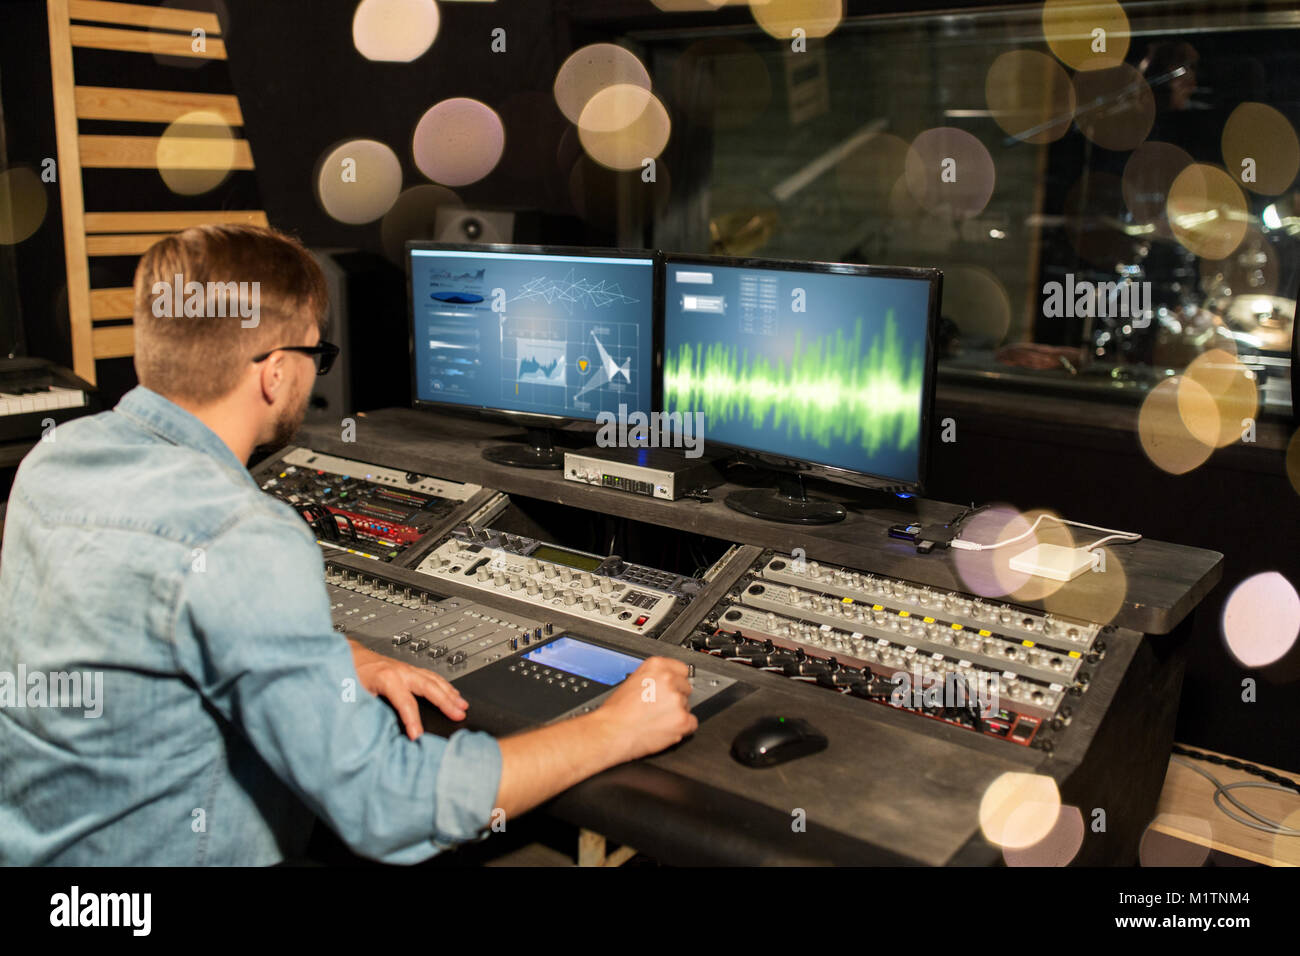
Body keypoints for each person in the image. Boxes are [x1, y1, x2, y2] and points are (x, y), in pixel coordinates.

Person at [0, 224, 697, 865]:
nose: (314, 372)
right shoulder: (244, 535)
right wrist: (615, 729)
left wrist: (334, 658)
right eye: (314, 351)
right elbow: (387, 808)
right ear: (274, 372)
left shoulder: (56, 461)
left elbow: (144, 628)